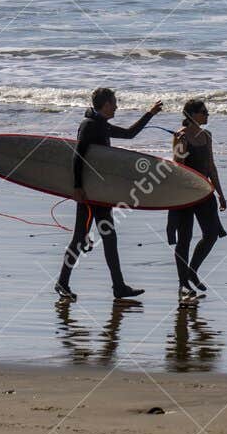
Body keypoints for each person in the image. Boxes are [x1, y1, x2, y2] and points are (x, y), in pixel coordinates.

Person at [55, 87, 162, 301]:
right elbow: (78, 157)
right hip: (88, 194)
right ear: (105, 105)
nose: (117, 106)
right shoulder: (89, 126)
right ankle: (63, 282)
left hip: (99, 193)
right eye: (114, 103)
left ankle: (118, 286)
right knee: (80, 238)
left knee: (109, 238)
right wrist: (77, 188)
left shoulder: (100, 125)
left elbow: (129, 134)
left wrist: (150, 113)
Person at [166, 98, 227, 301]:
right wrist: (180, 147)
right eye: (203, 111)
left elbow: (211, 166)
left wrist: (220, 193)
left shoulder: (207, 136)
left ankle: (192, 270)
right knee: (184, 238)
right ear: (191, 115)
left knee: (211, 234)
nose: (207, 114)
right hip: (185, 193)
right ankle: (183, 283)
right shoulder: (180, 136)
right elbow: (177, 167)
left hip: (204, 191)